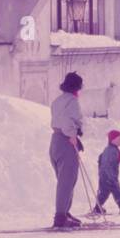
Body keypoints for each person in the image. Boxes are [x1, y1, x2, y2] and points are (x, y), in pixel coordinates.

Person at [49, 71, 86, 228]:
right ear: (77, 86)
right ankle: (61, 217)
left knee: (64, 179)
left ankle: (65, 211)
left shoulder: (57, 101)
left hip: (55, 141)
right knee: (67, 181)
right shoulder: (72, 101)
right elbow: (67, 120)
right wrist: (73, 135)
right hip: (66, 141)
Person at [92, 130, 120, 215]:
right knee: (116, 190)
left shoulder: (110, 149)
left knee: (104, 192)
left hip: (104, 174)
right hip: (109, 174)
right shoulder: (111, 150)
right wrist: (110, 176)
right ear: (113, 140)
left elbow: (109, 160)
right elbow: (108, 163)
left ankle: (97, 208)